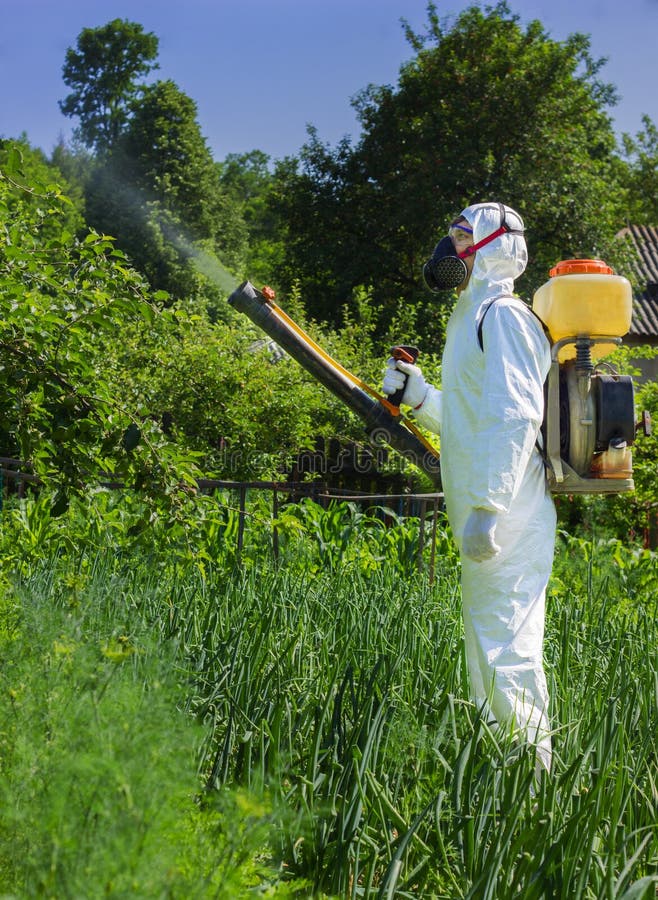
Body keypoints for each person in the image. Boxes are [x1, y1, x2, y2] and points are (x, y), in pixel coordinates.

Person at [382, 202, 556, 774]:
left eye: (463, 236)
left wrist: (487, 507)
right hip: (488, 508)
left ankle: (535, 784)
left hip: (510, 509)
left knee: (509, 647)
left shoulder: (505, 314)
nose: (450, 248)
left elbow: (513, 416)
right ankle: (502, 772)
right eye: (452, 234)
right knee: (486, 646)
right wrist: (421, 398)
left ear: (495, 245)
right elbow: (468, 421)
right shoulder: (470, 315)